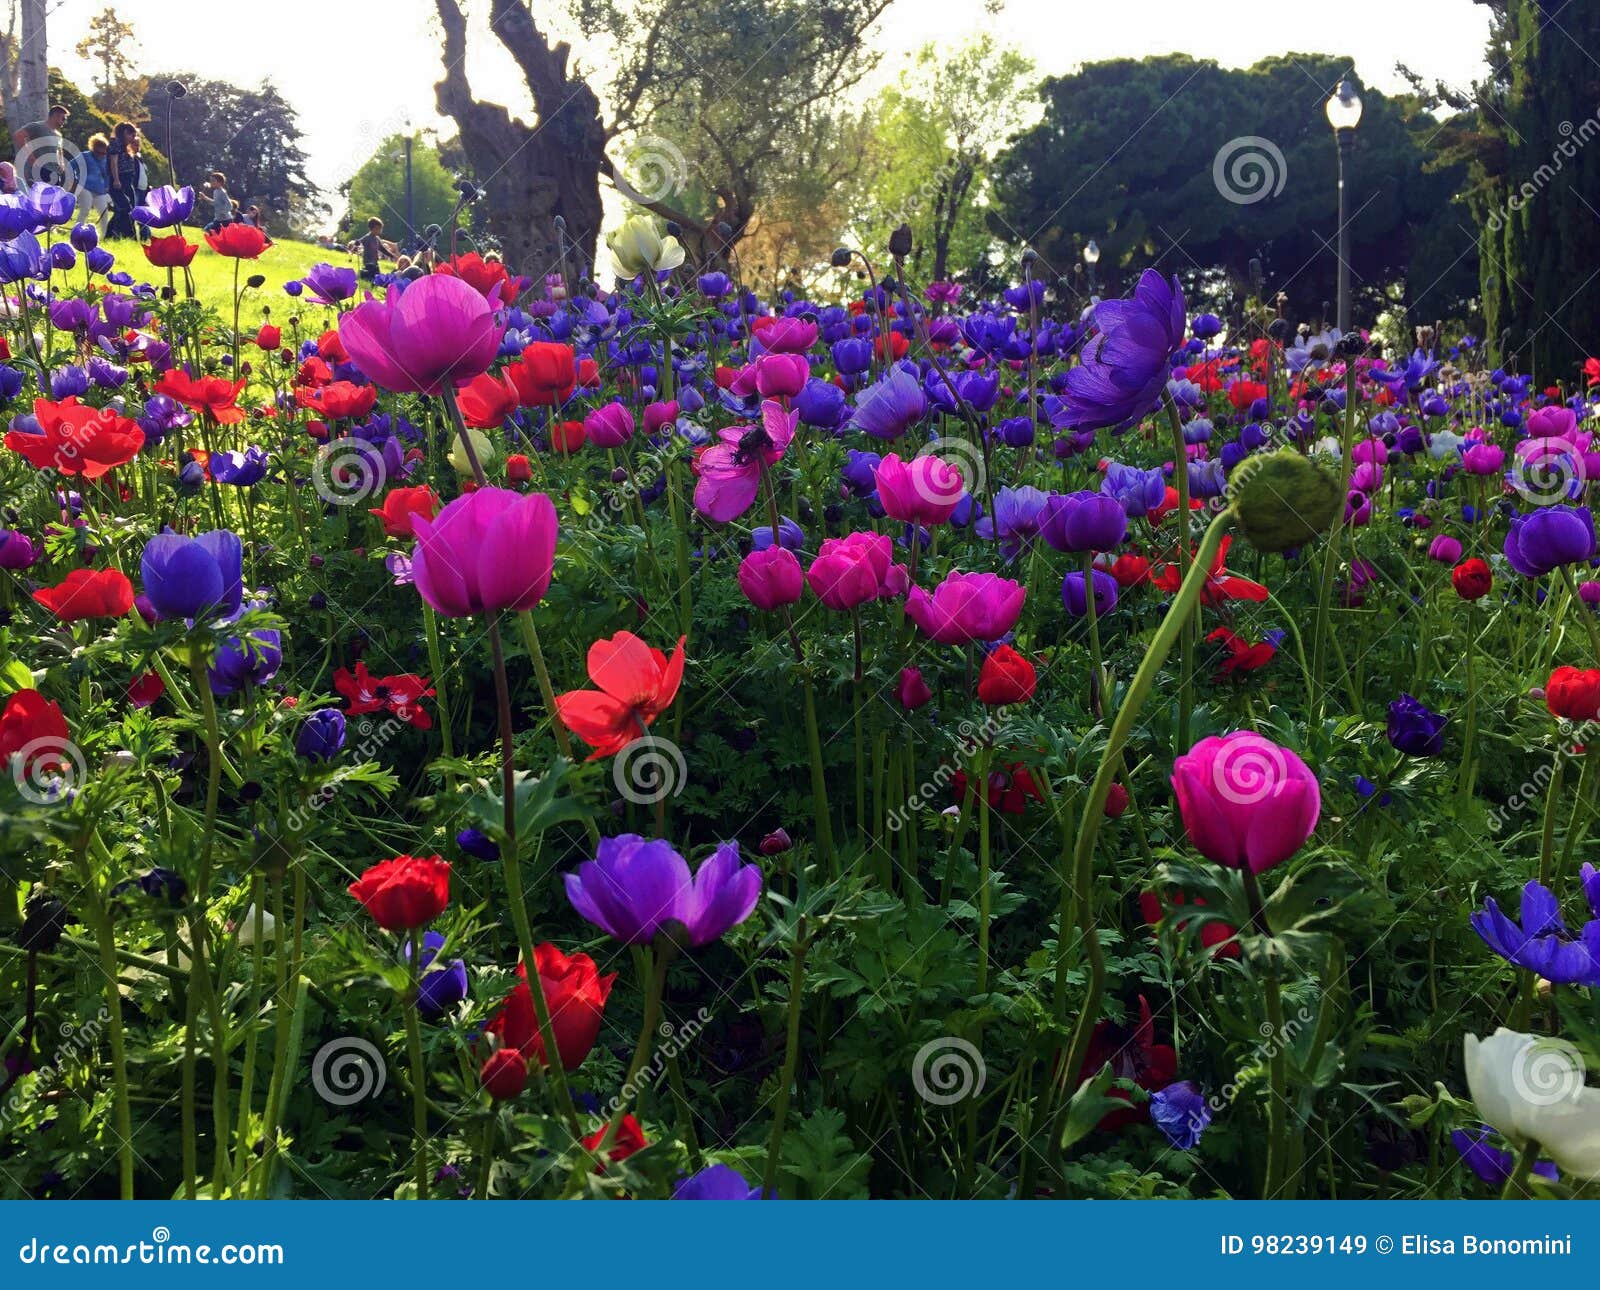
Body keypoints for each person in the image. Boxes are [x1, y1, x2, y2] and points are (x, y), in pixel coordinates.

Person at [12, 103, 68, 186]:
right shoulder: (37, 126)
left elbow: (59, 152)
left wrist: (61, 165)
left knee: (53, 198)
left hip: (54, 174)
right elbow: (18, 136)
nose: (64, 121)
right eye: (63, 118)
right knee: (38, 198)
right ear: (55, 116)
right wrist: (31, 158)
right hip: (38, 171)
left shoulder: (58, 135)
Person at [106, 123, 143, 239]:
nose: (133, 138)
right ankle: (127, 235)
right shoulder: (115, 143)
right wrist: (116, 179)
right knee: (124, 207)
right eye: (131, 135)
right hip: (119, 180)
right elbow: (113, 162)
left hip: (128, 181)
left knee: (128, 209)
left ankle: (110, 235)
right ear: (125, 133)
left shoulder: (126, 147)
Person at [71, 134, 113, 234]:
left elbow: (107, 175)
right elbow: (70, 166)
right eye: (99, 152)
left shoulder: (106, 160)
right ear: (93, 148)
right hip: (85, 187)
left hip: (100, 190)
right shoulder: (85, 156)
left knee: (104, 213)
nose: (101, 155)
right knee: (85, 209)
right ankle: (76, 232)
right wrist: (75, 180)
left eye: (104, 152)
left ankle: (104, 236)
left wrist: (107, 186)